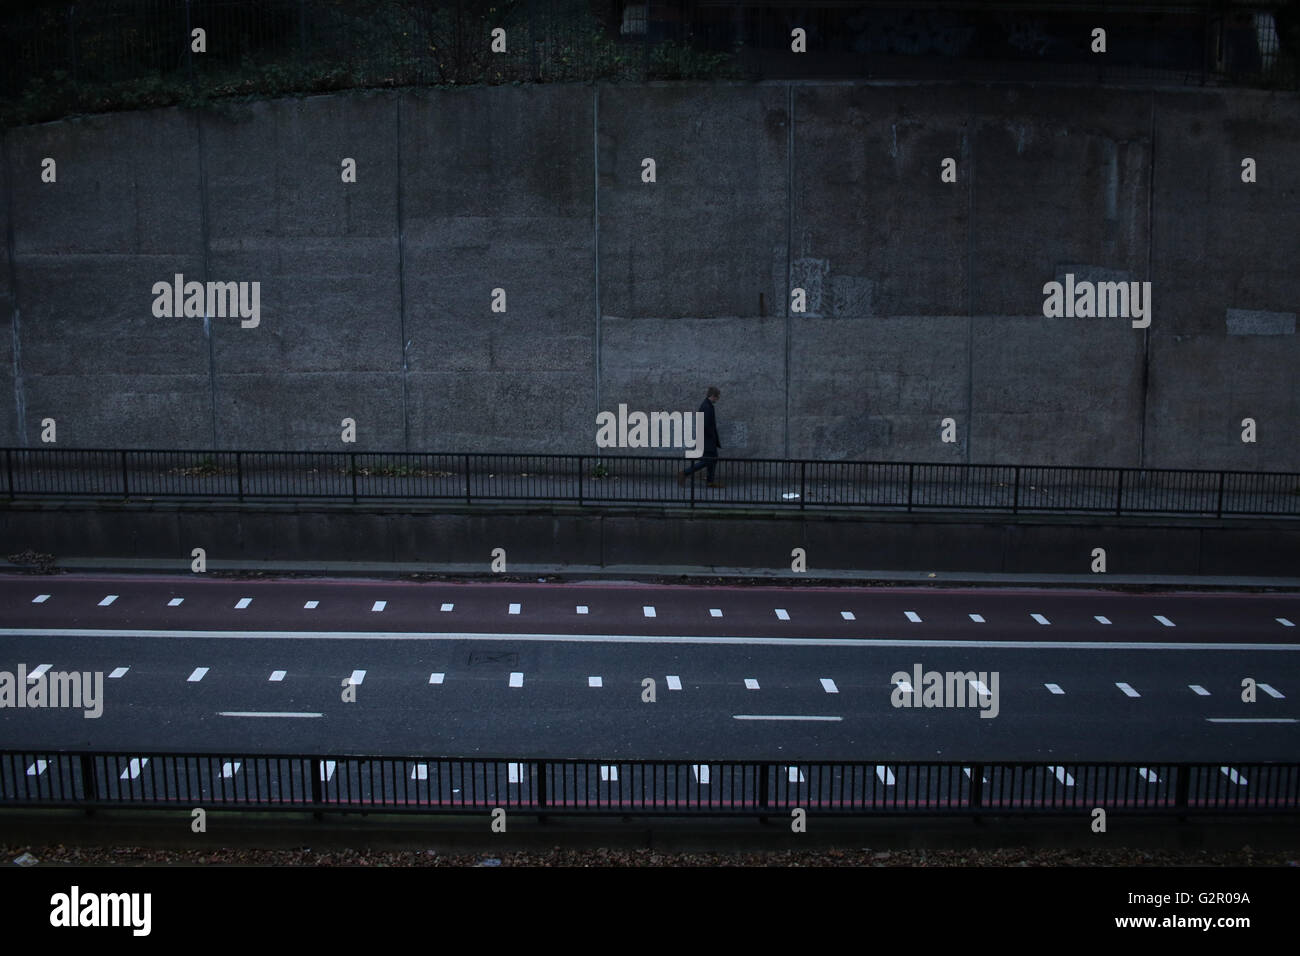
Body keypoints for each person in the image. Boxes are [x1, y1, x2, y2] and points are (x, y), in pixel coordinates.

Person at [678, 386, 724, 488]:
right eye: (717, 397)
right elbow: (705, 425)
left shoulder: (707, 405)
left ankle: (710, 481)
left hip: (707, 439)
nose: (718, 399)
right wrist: (711, 438)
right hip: (707, 440)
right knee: (707, 460)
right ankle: (685, 473)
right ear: (713, 396)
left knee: (713, 459)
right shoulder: (707, 407)